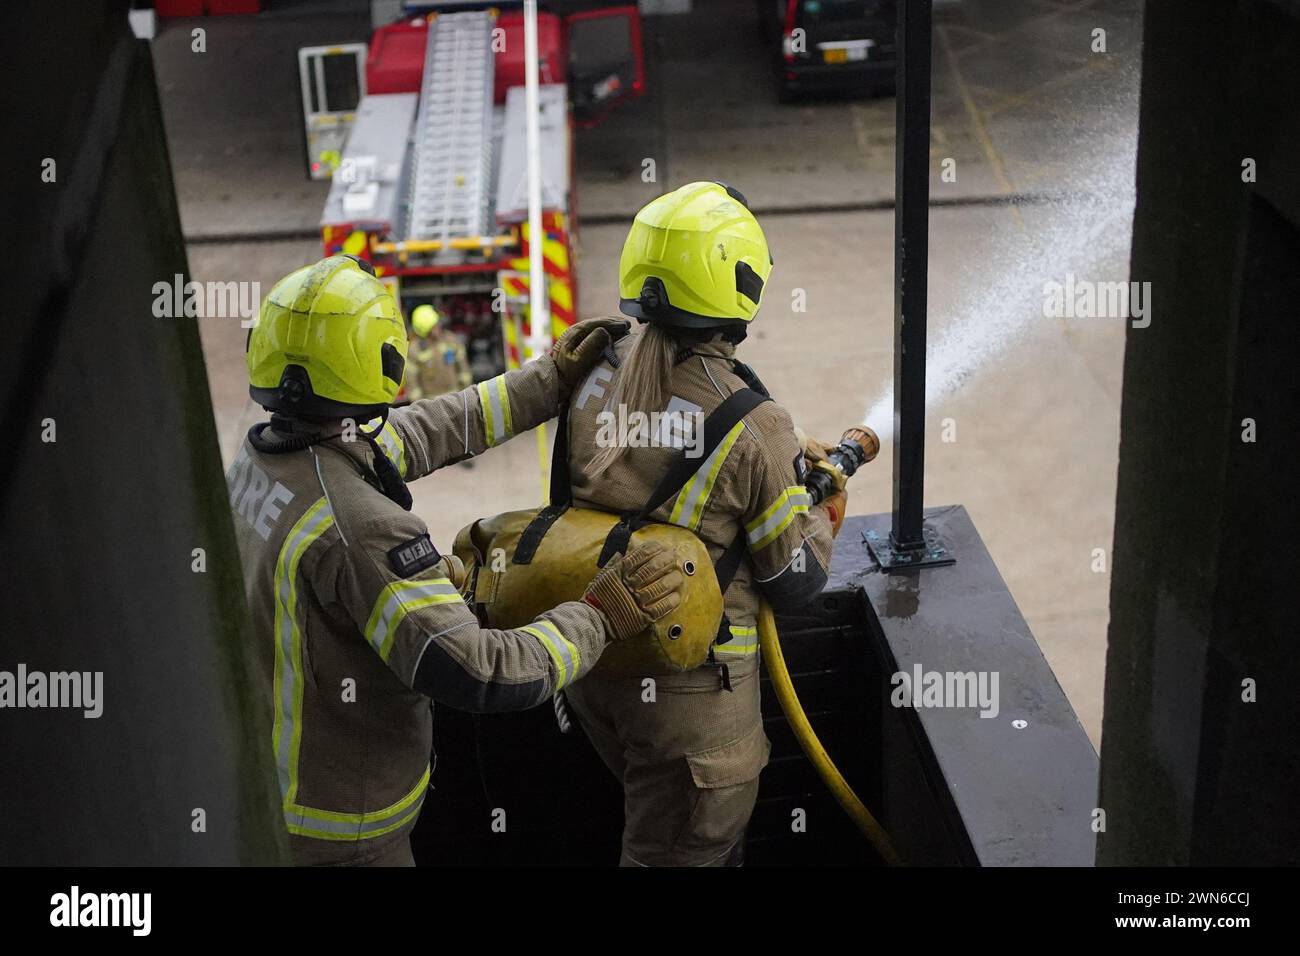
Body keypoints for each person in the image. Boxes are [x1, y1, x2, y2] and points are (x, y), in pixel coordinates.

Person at [228, 254, 685, 866]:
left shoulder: (262, 461)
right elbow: (479, 672)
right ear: (383, 362)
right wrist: (599, 617)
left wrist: (547, 381)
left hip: (268, 791)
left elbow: (429, 428)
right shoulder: (362, 528)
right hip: (339, 830)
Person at [558, 182, 846, 867]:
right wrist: (824, 510)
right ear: (738, 288)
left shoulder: (596, 366)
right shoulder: (755, 423)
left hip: (597, 675)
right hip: (691, 713)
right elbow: (794, 580)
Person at [404, 304, 471, 401]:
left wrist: (465, 396)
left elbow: (464, 371)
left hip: (455, 399)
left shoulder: (451, 340)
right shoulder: (414, 350)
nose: (439, 326)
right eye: (435, 325)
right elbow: (412, 383)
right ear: (425, 329)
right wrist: (420, 408)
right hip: (431, 403)